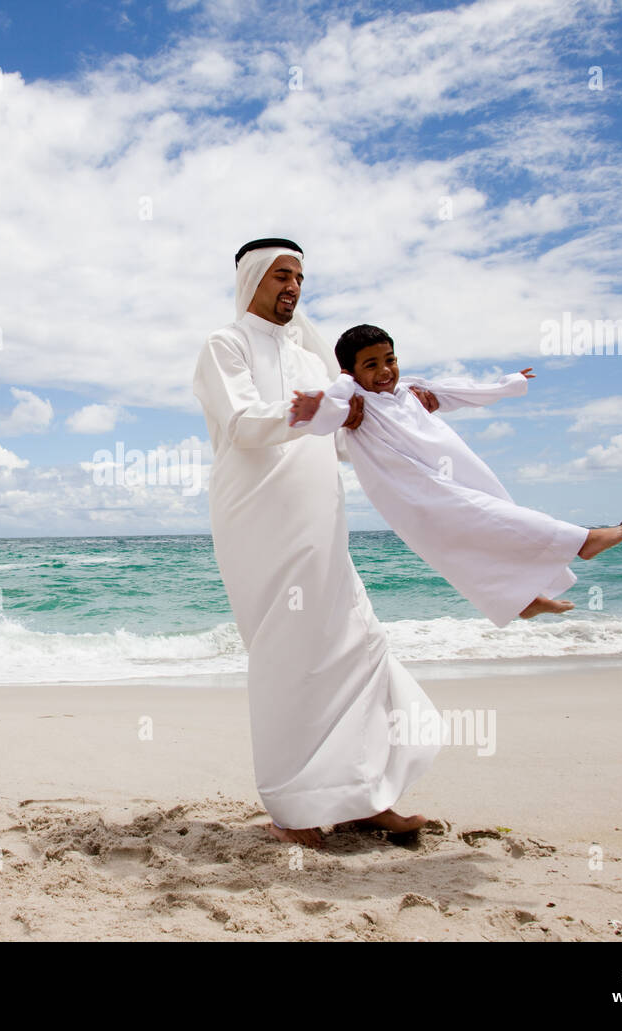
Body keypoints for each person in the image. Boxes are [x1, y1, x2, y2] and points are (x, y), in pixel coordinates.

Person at [192, 240, 442, 848]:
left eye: (300, 276)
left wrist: (396, 412)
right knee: (288, 657)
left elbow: (336, 434)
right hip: (259, 521)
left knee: (358, 643)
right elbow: (245, 426)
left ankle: (367, 797)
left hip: (321, 518)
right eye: (282, 274)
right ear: (253, 278)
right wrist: (319, 411)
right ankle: (293, 809)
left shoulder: (309, 356)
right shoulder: (225, 346)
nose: (294, 287)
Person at [289, 323, 622, 627]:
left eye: (389, 359)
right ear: (350, 373)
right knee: (481, 524)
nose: (384, 370)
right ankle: (582, 542)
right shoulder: (354, 399)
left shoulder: (410, 390)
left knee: (479, 532)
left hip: (452, 474)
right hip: (411, 491)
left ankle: (523, 600)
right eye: (371, 365)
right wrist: (313, 410)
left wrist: (507, 385)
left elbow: (459, 391)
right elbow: (329, 412)